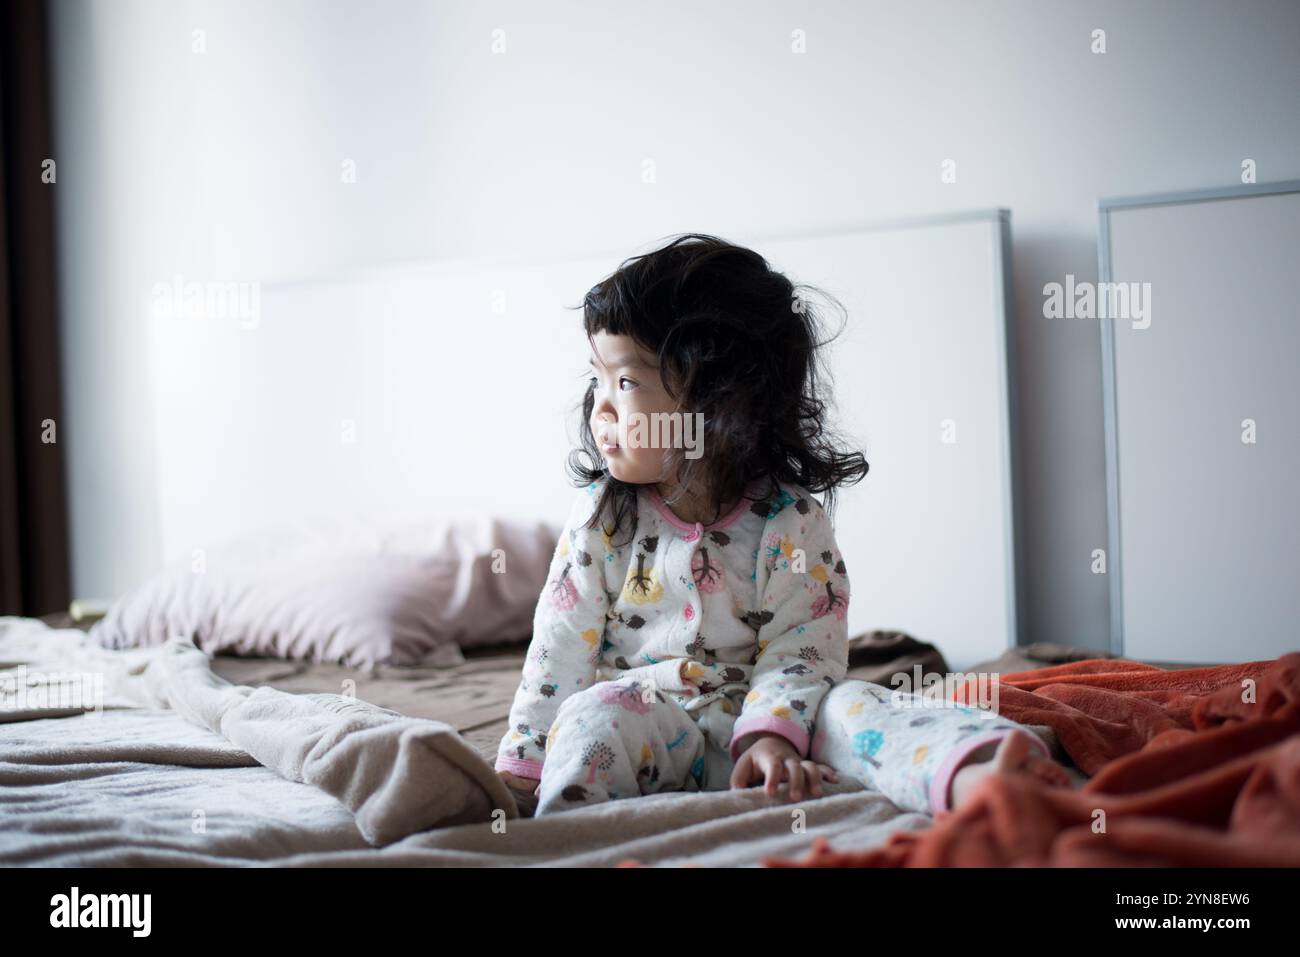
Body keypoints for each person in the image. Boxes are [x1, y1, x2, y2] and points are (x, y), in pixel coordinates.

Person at [495, 233, 1069, 817]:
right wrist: (523, 764)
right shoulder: (602, 518)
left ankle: (975, 775)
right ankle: (571, 834)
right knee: (595, 715)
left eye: (626, 381)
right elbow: (559, 649)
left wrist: (771, 733)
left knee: (857, 705)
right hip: (650, 722)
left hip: (775, 729)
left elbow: (804, 648)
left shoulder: (790, 520)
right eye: (596, 379)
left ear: (716, 402)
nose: (602, 408)